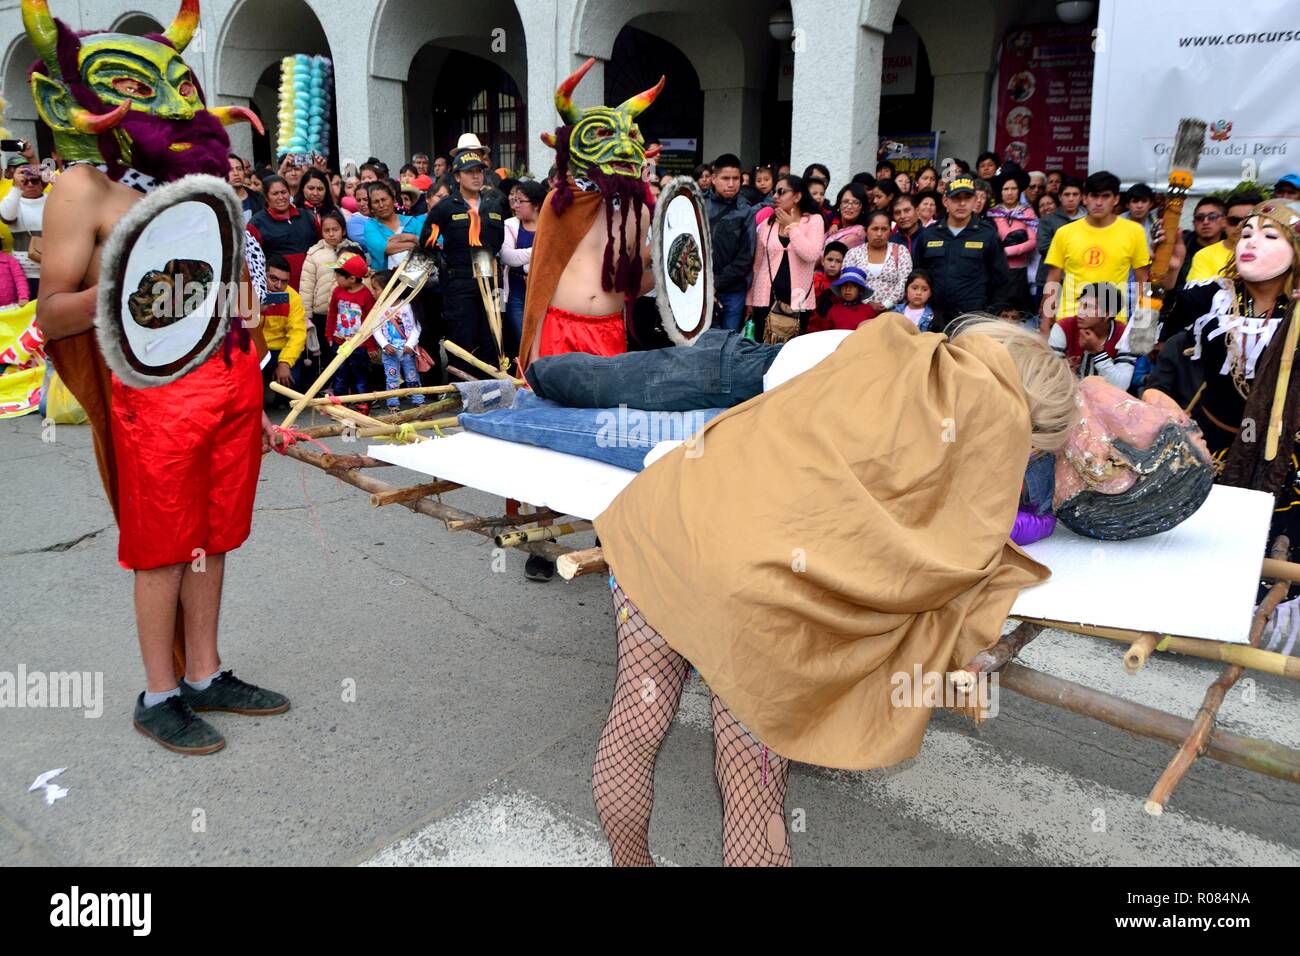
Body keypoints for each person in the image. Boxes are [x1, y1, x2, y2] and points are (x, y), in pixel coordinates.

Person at [590, 314, 1077, 866]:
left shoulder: (891, 350)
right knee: (753, 791)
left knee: (636, 720)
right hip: (749, 590)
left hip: (664, 516)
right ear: (1024, 421)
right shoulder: (986, 430)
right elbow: (949, 562)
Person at [28, 0, 285, 755]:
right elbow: (55, 314)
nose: (173, 105)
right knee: (164, 546)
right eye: (138, 87)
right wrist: (130, 267)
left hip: (230, 384)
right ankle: (159, 692)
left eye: (177, 83)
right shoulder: (86, 189)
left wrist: (260, 390)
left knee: (215, 537)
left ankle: (205, 675)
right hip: (156, 395)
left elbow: (234, 291)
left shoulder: (206, 186)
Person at [1148, 199, 1300, 563]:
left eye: (1268, 235)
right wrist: (1162, 278)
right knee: (1203, 545)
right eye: (1245, 233)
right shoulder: (1213, 297)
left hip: (1282, 448)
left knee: (1275, 549)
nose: (1251, 242)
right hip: (1213, 442)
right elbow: (1144, 328)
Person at [419, 151, 507, 375]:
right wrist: (444, 262)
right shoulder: (446, 206)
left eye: (479, 171)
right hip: (459, 280)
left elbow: (499, 241)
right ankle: (463, 390)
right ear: (457, 177)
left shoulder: (495, 203)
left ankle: (492, 387)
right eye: (469, 172)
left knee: (493, 334)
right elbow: (427, 242)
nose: (476, 176)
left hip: (491, 277)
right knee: (462, 335)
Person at [1040, 171, 1151, 330]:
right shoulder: (1065, 233)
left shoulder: (1134, 232)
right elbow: (1053, 280)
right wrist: (1045, 323)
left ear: (1116, 199)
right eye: (1094, 196)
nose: (1099, 202)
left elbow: (1144, 281)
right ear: (1085, 198)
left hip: (1112, 321)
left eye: (1105, 196)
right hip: (1069, 319)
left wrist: (1144, 326)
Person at [914, 174, 1011, 330]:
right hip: (934, 317)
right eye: (956, 198)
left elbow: (1001, 279)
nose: (962, 203)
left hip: (972, 318)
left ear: (974, 201)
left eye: (967, 198)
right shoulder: (929, 234)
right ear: (945, 201)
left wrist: (988, 314)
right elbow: (918, 273)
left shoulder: (988, 234)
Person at [746, 173, 825, 342]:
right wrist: (750, 298)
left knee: (792, 352)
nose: (775, 196)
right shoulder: (768, 223)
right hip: (765, 296)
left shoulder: (814, 220)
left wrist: (791, 227)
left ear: (797, 196)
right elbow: (757, 264)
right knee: (762, 348)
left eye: (781, 191)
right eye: (775, 192)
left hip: (799, 298)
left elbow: (811, 254)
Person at [299, 211, 363, 373]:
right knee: (326, 352)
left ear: (343, 230)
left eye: (335, 229)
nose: (331, 233)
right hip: (322, 313)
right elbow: (306, 286)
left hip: (349, 313)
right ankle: (328, 385)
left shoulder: (354, 250)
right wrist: (306, 316)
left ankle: (350, 385)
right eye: (326, 230)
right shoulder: (314, 253)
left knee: (349, 351)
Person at [1048, 281, 1136, 390]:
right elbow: (1049, 376)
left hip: (1107, 401)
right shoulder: (1063, 328)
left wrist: (1098, 351)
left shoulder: (1125, 335)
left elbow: (1121, 386)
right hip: (1067, 397)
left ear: (1107, 314)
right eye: (1080, 305)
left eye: (1088, 307)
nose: (1080, 312)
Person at [705, 153, 755, 332]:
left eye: (736, 178)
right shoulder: (698, 205)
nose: (731, 183)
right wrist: (706, 285)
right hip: (701, 289)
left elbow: (746, 257)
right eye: (725, 178)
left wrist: (716, 283)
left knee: (729, 342)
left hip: (734, 290)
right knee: (700, 344)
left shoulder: (746, 211)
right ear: (713, 178)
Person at [368, 269, 426, 411]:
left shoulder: (407, 306)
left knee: (412, 376)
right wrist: (385, 344)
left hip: (407, 350)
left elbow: (416, 327)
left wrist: (410, 345)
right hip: (389, 351)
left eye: (375, 289)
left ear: (390, 289)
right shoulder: (379, 309)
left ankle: (418, 401)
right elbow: (375, 329)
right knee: (392, 377)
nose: (373, 292)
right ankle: (393, 404)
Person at [501, 179, 546, 357]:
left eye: (521, 201)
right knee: (524, 340)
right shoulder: (510, 224)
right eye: (514, 200)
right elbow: (507, 257)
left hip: (543, 292)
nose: (515, 205)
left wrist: (524, 258)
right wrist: (537, 252)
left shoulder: (549, 225)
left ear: (535, 204)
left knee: (543, 340)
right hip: (517, 292)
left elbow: (554, 256)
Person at [249, 174, 318, 286]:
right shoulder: (256, 224)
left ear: (289, 193)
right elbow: (252, 263)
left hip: (312, 285)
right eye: (275, 194)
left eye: (283, 192)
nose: (281, 197)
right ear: (266, 197)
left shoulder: (307, 217)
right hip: (279, 288)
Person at [987, 165, 1038, 314]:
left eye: (1013, 189)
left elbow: (1032, 241)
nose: (1009, 193)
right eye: (1005, 189)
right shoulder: (992, 214)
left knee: (1017, 314)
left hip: (1019, 273)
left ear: (1019, 190)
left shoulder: (1027, 213)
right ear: (1000, 192)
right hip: (997, 272)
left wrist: (1007, 251)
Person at [260, 255, 308, 407]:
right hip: (255, 351)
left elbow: (297, 334)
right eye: (273, 279)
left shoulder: (293, 297)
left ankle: (279, 401)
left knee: (291, 386)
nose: (279, 285)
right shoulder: (249, 292)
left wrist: (285, 363)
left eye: (284, 281)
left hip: (279, 352)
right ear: (263, 275)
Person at [325, 252, 376, 396]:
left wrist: (371, 346)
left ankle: (362, 403)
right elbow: (332, 314)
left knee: (360, 375)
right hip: (339, 342)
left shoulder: (366, 295)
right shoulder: (337, 292)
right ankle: (339, 403)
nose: (336, 278)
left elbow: (369, 322)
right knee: (340, 374)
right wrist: (329, 334)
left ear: (352, 278)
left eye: (338, 275)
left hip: (359, 345)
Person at [1186, 190, 1262, 283]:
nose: (1240, 226)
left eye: (1248, 221)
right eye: (1234, 220)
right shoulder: (1204, 255)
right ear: (1224, 221)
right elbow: (1198, 294)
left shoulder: (1272, 252)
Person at [845, 209, 911, 311]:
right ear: (866, 230)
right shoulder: (853, 254)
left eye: (884, 229)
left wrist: (887, 304)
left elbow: (904, 281)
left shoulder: (901, 251)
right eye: (875, 229)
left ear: (890, 231)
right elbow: (848, 282)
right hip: (859, 311)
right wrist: (868, 303)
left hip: (893, 312)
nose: (879, 233)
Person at [0, 163, 47, 297]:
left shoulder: (53, 200)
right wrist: (16, 186)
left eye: (35, 180)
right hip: (22, 276)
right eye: (25, 181)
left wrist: (43, 169)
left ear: (41, 182)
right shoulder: (13, 203)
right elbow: (7, 217)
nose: (30, 184)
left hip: (53, 271)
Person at [362, 180, 424, 271]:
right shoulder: (371, 226)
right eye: (376, 202)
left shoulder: (411, 222)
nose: (381, 205)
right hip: (385, 279)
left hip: (417, 275)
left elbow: (428, 242)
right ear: (371, 207)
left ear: (393, 200)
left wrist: (413, 238)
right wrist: (414, 244)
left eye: (384, 199)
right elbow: (386, 248)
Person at [1172, 196, 1227, 293]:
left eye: (1212, 217)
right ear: (1193, 223)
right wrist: (1144, 307)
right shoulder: (1177, 245)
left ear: (1224, 221)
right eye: (1200, 218)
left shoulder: (1234, 248)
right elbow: (1148, 282)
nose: (1205, 222)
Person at [807, 265, 877, 332]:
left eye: (853, 286)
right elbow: (826, 333)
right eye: (844, 285)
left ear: (860, 290)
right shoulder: (833, 311)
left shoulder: (869, 310)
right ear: (840, 288)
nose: (848, 289)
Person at [823, 183, 869, 251]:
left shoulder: (858, 233)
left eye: (855, 203)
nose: (849, 207)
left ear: (862, 207)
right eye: (845, 201)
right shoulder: (830, 222)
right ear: (839, 205)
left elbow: (833, 253)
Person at [888, 194, 925, 261]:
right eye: (897, 213)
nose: (902, 216)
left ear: (917, 211)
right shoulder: (890, 242)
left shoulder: (930, 237)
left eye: (907, 210)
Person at [228, 154, 264, 222]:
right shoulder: (217, 203)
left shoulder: (259, 199)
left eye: (239, 169)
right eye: (230, 170)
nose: (236, 173)